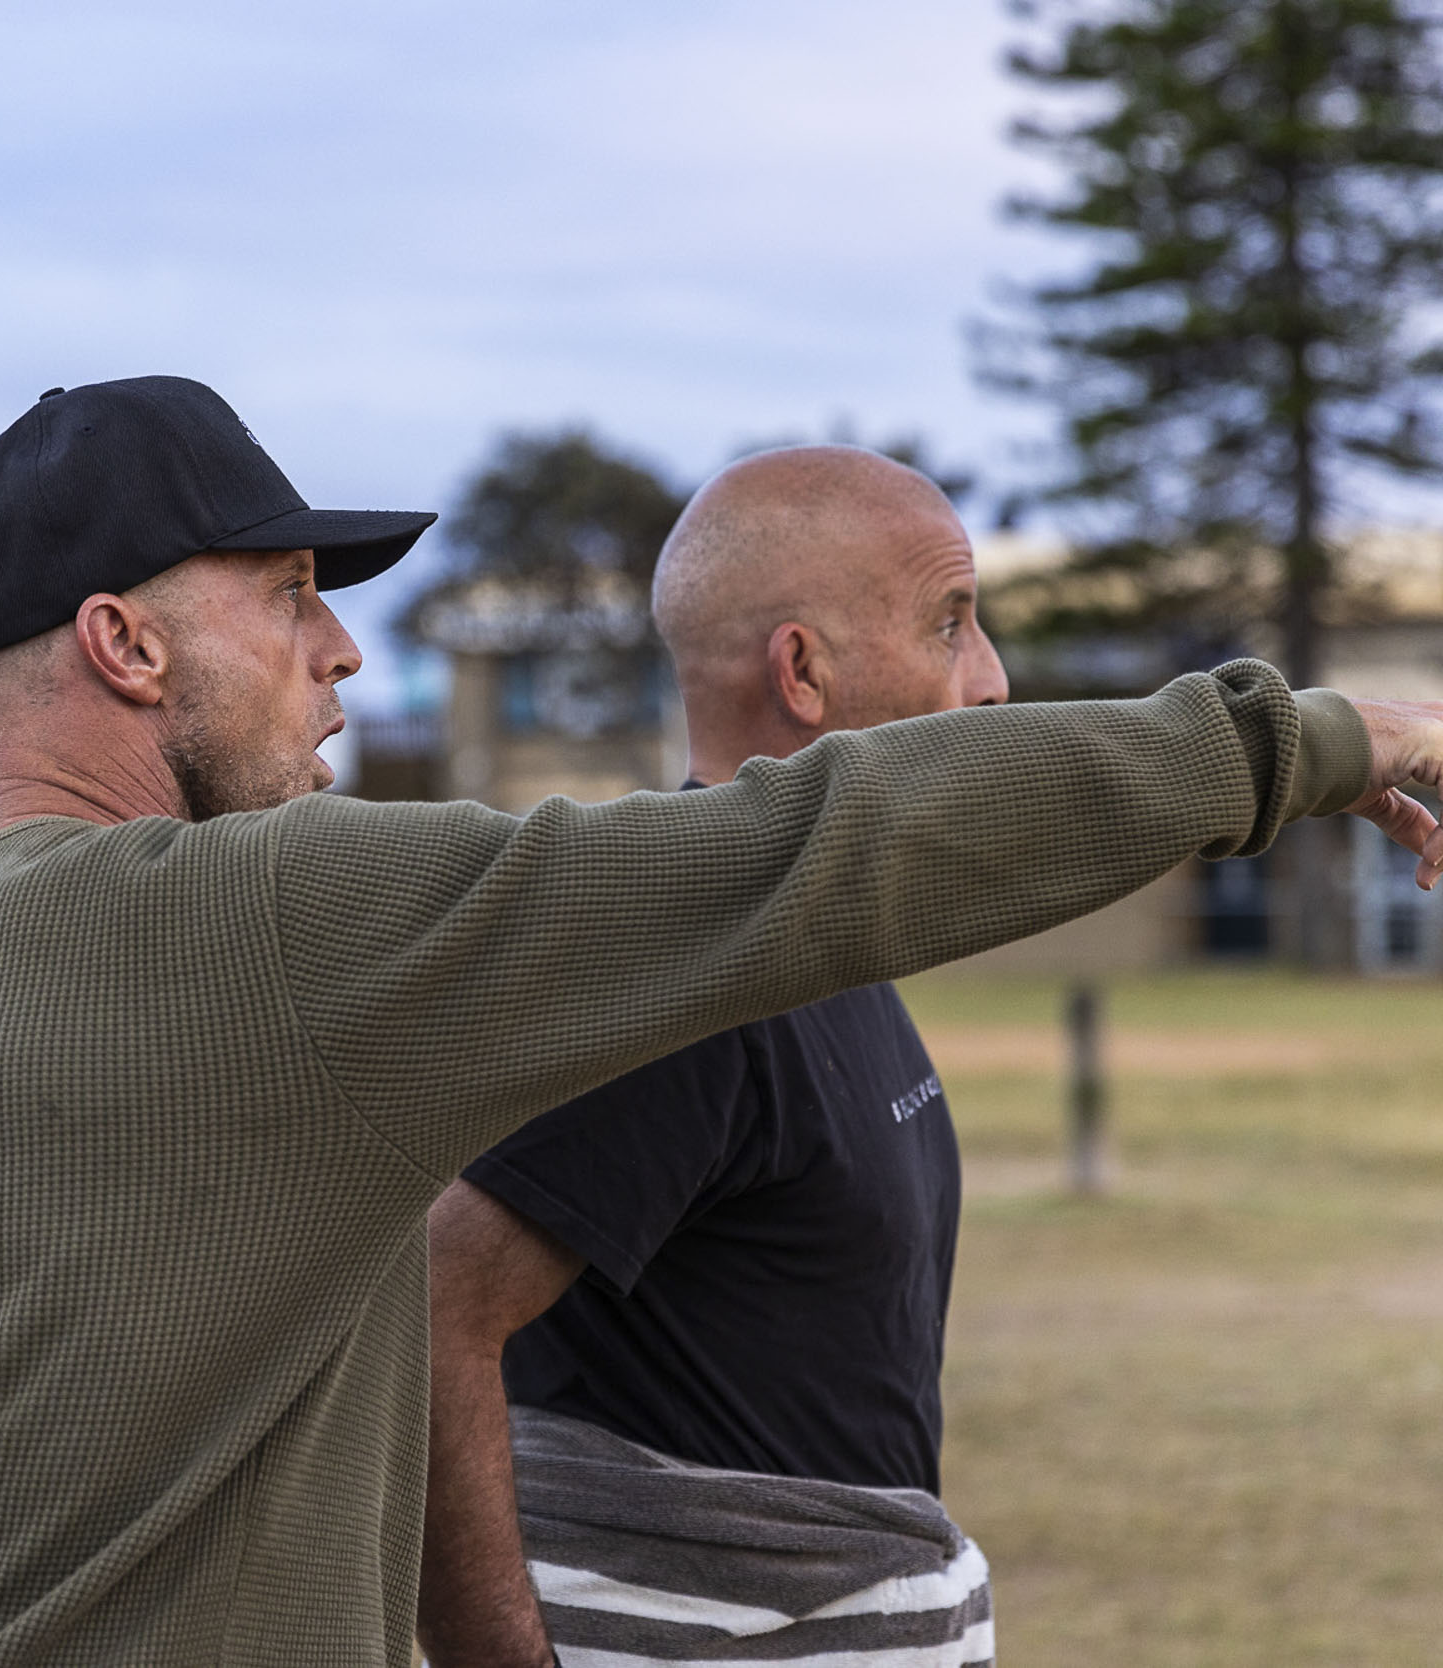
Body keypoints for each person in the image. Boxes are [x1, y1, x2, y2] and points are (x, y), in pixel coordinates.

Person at [0, 376, 1443, 1668]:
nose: (345, 646)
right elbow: (823, 844)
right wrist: (1319, 739)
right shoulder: (267, 929)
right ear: (125, 646)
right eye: (287, 597)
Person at [417, 446, 1010, 1668]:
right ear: (802, 670)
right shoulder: (688, 968)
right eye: (949, 624)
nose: (992, 682)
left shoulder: (795, 930)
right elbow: (432, 1303)